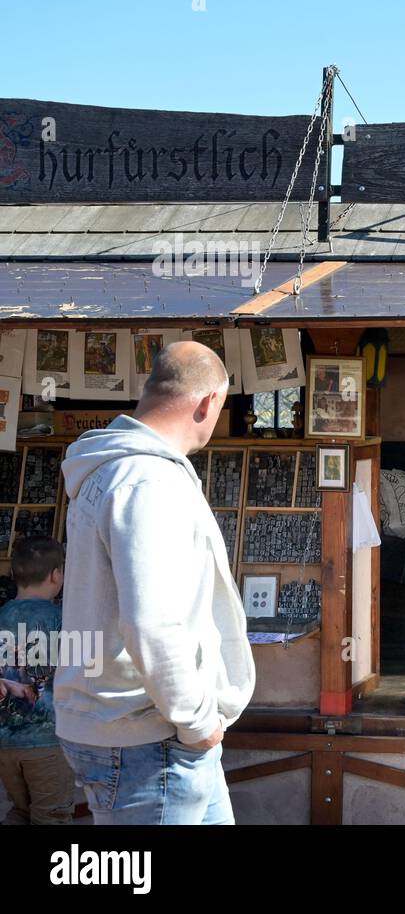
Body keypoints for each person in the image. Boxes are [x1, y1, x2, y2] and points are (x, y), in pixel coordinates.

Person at [56, 341, 255, 825]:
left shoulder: (116, 470)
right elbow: (152, 622)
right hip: (149, 738)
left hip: (151, 733)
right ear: (209, 403)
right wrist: (197, 722)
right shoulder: (147, 481)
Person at [0, 537, 75, 824]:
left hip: (5, 743)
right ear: (56, 575)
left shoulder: (2, 615)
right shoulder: (62, 619)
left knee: (19, 811)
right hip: (48, 743)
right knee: (51, 816)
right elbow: (88, 670)